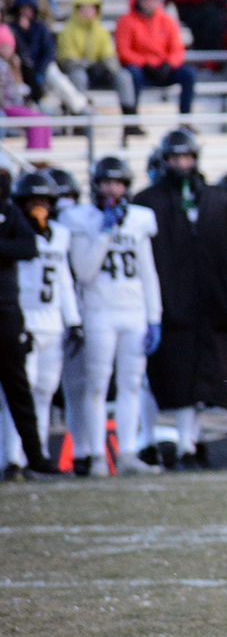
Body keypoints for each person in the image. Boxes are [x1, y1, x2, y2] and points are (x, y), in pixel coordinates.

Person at [134, 130, 227, 469]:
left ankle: (189, 443)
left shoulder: (217, 198)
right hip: (166, 303)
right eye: (175, 158)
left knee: (202, 379)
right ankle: (147, 441)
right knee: (164, 377)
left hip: (208, 303)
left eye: (187, 158)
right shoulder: (148, 201)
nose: (182, 164)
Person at [60, 156, 160, 475]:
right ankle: (97, 455)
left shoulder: (140, 219)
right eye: (106, 182)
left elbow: (148, 272)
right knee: (97, 385)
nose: (112, 189)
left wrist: (154, 316)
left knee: (131, 384)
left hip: (133, 311)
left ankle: (128, 452)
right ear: (95, 184)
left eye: (118, 182)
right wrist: (104, 232)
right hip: (98, 311)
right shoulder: (79, 219)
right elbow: (84, 271)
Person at [0, 173, 77, 478]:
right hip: (24, 318)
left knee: (42, 391)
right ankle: (12, 458)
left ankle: (38, 454)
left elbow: (63, 278)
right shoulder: (12, 221)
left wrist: (74, 320)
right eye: (33, 202)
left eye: (44, 202)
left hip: (49, 321)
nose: (39, 209)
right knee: (21, 391)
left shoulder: (58, 234)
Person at [115, 0, 197, 118]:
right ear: (139, 0)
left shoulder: (168, 21)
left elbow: (177, 49)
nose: (149, 2)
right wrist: (144, 63)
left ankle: (185, 119)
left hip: (164, 69)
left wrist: (168, 65)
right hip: (141, 69)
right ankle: (132, 120)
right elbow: (124, 51)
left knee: (188, 74)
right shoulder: (126, 21)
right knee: (132, 75)